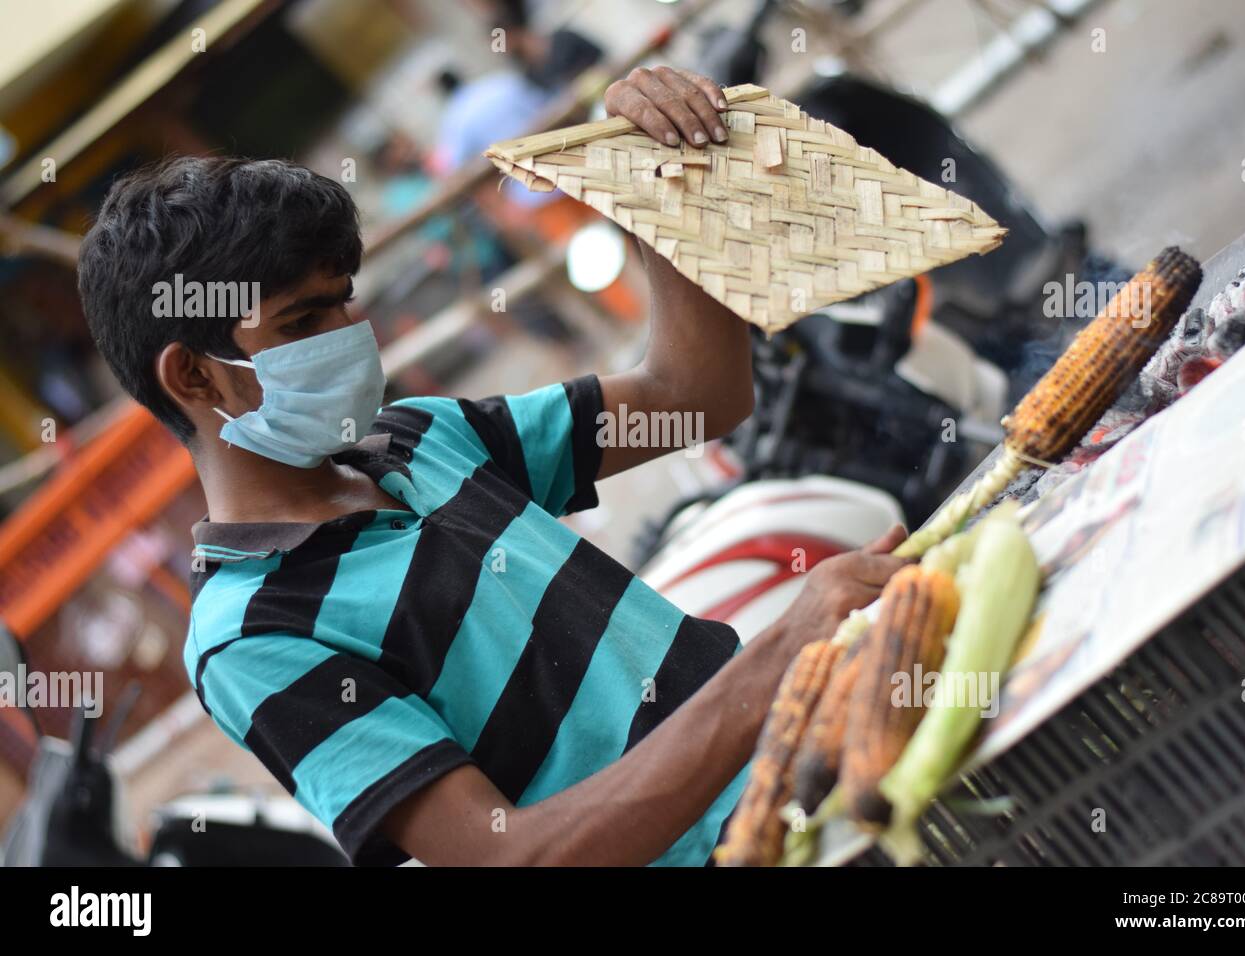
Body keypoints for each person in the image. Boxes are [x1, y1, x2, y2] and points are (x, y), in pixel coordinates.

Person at [77, 67, 909, 866]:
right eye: (302, 322)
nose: (348, 336)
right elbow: (509, 857)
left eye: (343, 301)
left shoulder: (419, 439)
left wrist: (664, 182)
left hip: (831, 773)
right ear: (192, 375)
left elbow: (694, 395)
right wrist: (784, 650)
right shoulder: (252, 636)